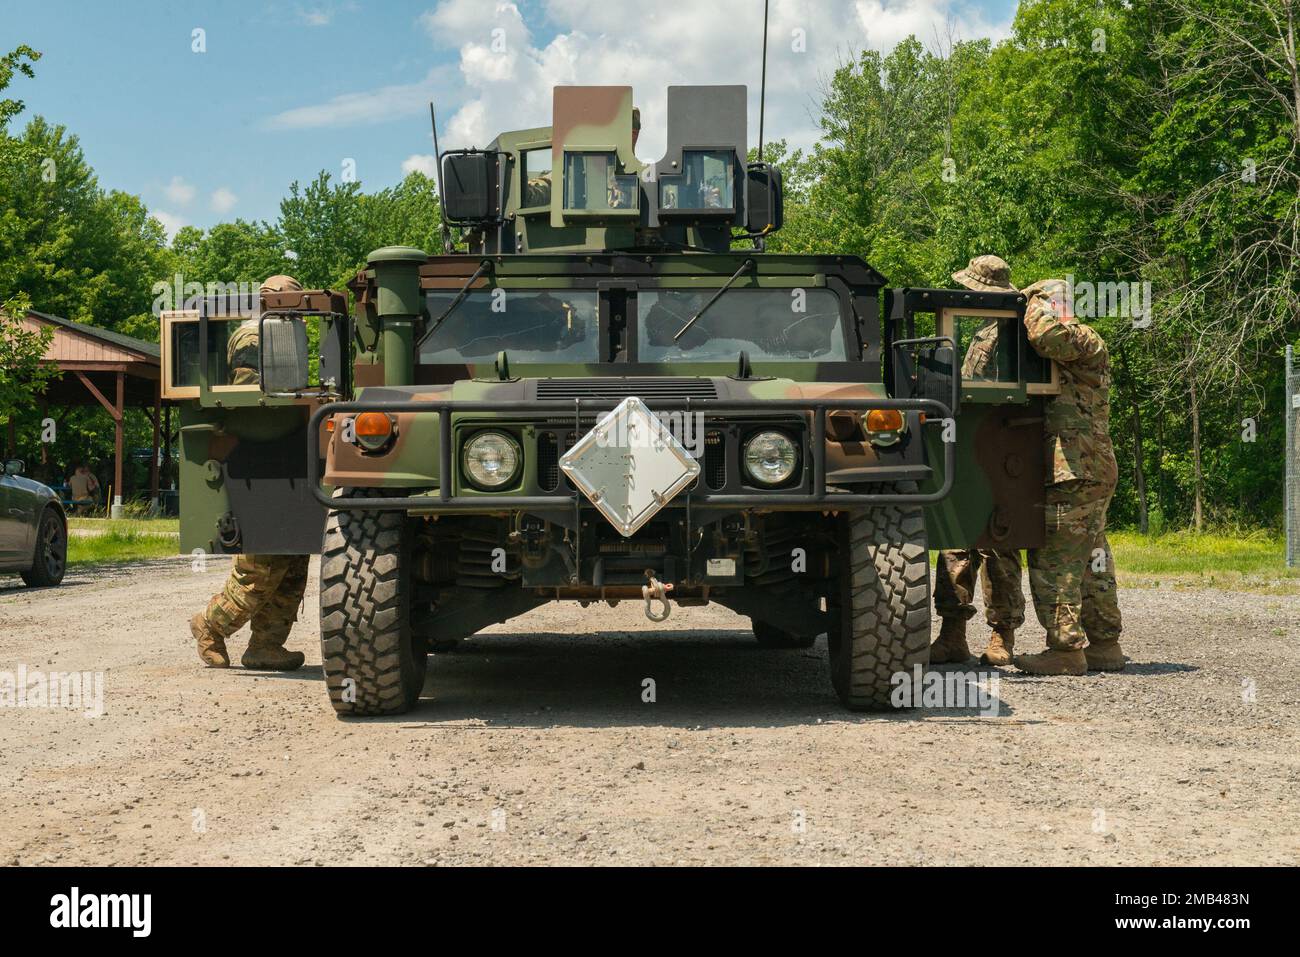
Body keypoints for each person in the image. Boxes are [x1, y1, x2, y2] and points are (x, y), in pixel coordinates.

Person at [190, 275, 310, 671]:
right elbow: (257, 403)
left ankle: (266, 646)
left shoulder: (285, 333)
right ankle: (209, 626)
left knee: (292, 565)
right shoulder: (254, 335)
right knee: (260, 567)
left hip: (287, 459)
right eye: (290, 298)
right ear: (273, 299)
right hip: (260, 464)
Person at [1013, 278, 1126, 675]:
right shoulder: (1079, 344)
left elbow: (1046, 334)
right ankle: (1105, 646)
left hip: (1076, 468)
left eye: (1044, 302)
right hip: (1087, 467)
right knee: (1093, 557)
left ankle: (1065, 650)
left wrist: (1028, 301)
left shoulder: (1082, 338)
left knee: (1055, 558)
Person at [929, 255, 1026, 666]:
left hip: (1000, 448)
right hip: (965, 445)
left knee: (996, 544)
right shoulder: (984, 330)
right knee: (955, 541)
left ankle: (1002, 634)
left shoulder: (1015, 333)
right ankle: (952, 633)